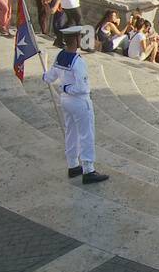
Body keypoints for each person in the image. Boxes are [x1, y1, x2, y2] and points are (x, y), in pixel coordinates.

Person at [42, 26, 109, 185]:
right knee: (86, 134)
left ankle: (73, 165)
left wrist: (46, 74)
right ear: (77, 40)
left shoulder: (60, 56)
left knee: (71, 132)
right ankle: (88, 169)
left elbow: (49, 78)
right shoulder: (77, 61)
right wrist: (66, 87)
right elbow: (82, 87)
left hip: (65, 101)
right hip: (79, 100)